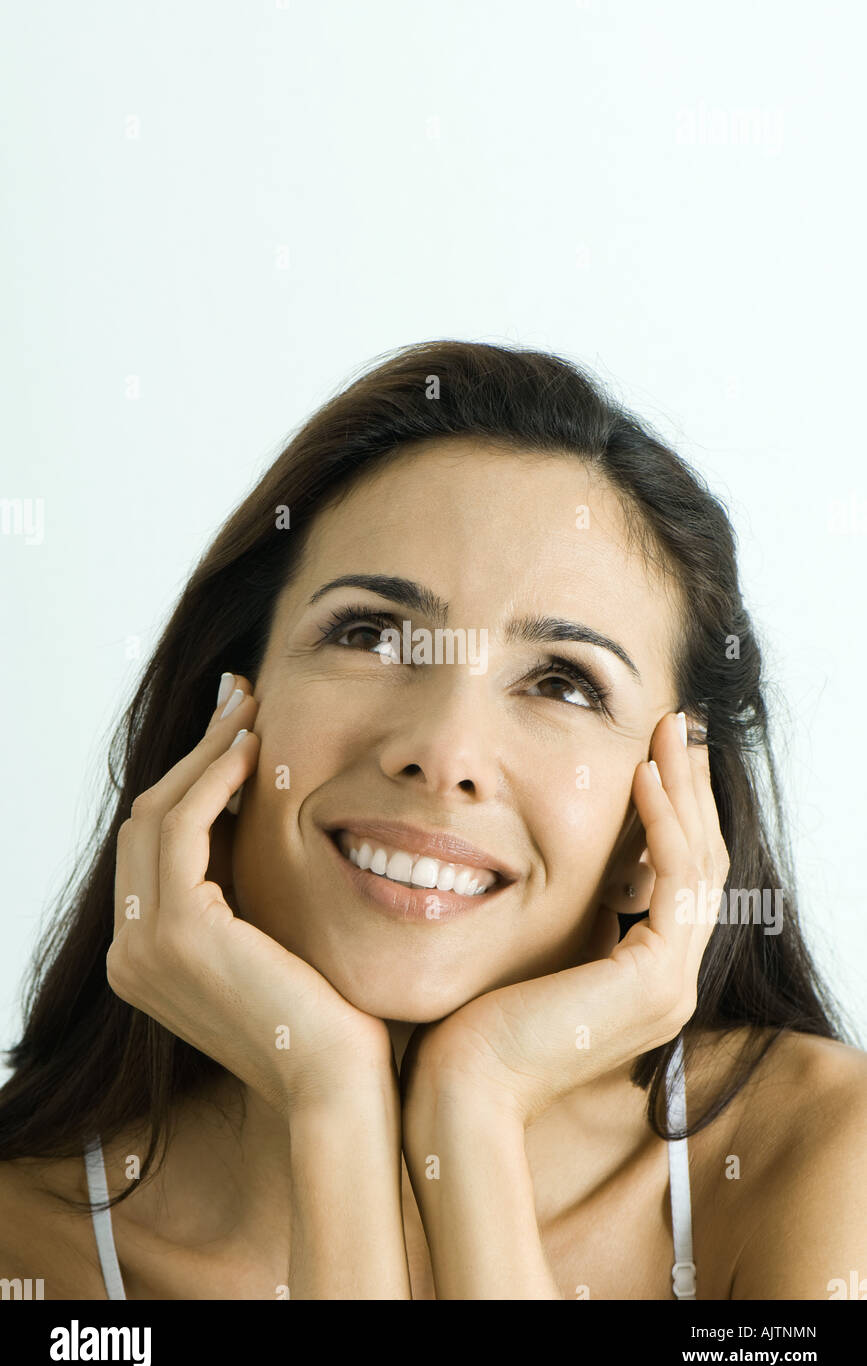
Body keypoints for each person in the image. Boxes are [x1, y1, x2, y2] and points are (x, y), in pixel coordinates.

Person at [1, 341, 864, 1300]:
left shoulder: (821, 1159)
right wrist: (331, 1102)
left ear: (661, 826)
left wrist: (476, 1102)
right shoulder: (24, 1253)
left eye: (563, 684)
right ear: (228, 712)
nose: (444, 752)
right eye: (370, 633)